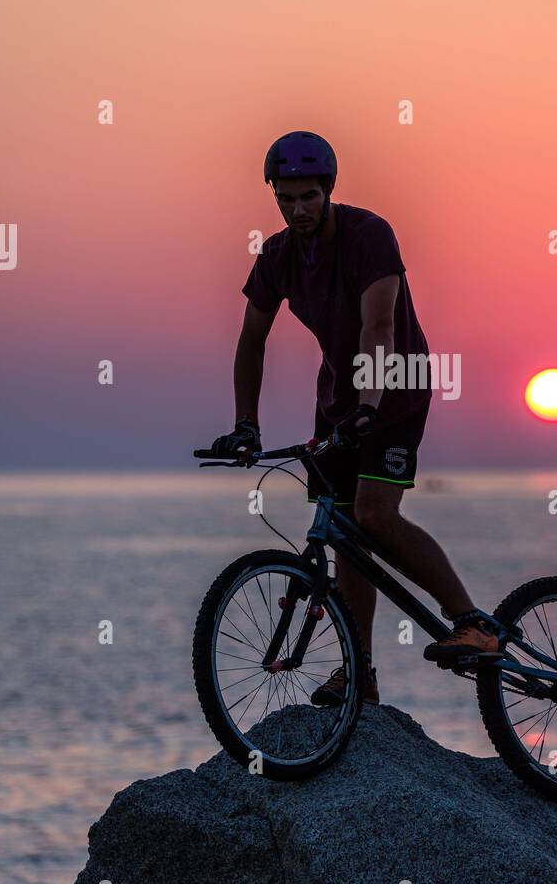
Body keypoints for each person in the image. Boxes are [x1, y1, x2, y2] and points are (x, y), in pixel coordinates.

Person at [210, 130, 499, 706]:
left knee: (371, 512)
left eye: (308, 197)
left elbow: (379, 328)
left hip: (395, 388)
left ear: (329, 190)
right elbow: (250, 340)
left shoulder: (370, 235)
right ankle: (358, 671)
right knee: (343, 531)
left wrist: (369, 405)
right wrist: (247, 424)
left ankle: (475, 623)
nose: (297, 210)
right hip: (340, 402)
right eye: (285, 199)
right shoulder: (277, 257)